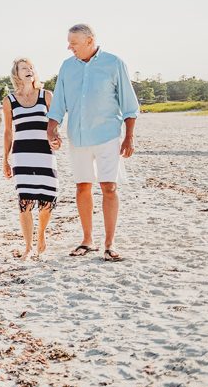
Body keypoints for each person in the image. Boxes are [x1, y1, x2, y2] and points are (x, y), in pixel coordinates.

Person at [46, 24, 139, 262]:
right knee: (82, 187)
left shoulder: (114, 63)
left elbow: (128, 103)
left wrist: (129, 136)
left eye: (73, 43)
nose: (69, 47)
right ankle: (87, 240)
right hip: (78, 137)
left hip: (108, 136)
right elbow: (58, 103)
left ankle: (110, 243)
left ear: (89, 41)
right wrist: (52, 128)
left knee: (109, 187)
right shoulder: (67, 67)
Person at [2, 58, 57, 261]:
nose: (29, 70)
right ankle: (27, 246)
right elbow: (8, 132)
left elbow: (53, 125)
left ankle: (41, 234)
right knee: (24, 201)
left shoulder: (46, 96)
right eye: (24, 68)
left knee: (47, 200)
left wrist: (56, 139)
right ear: (16, 73)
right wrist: (5, 159)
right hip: (21, 154)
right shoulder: (10, 100)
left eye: (31, 67)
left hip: (44, 153)